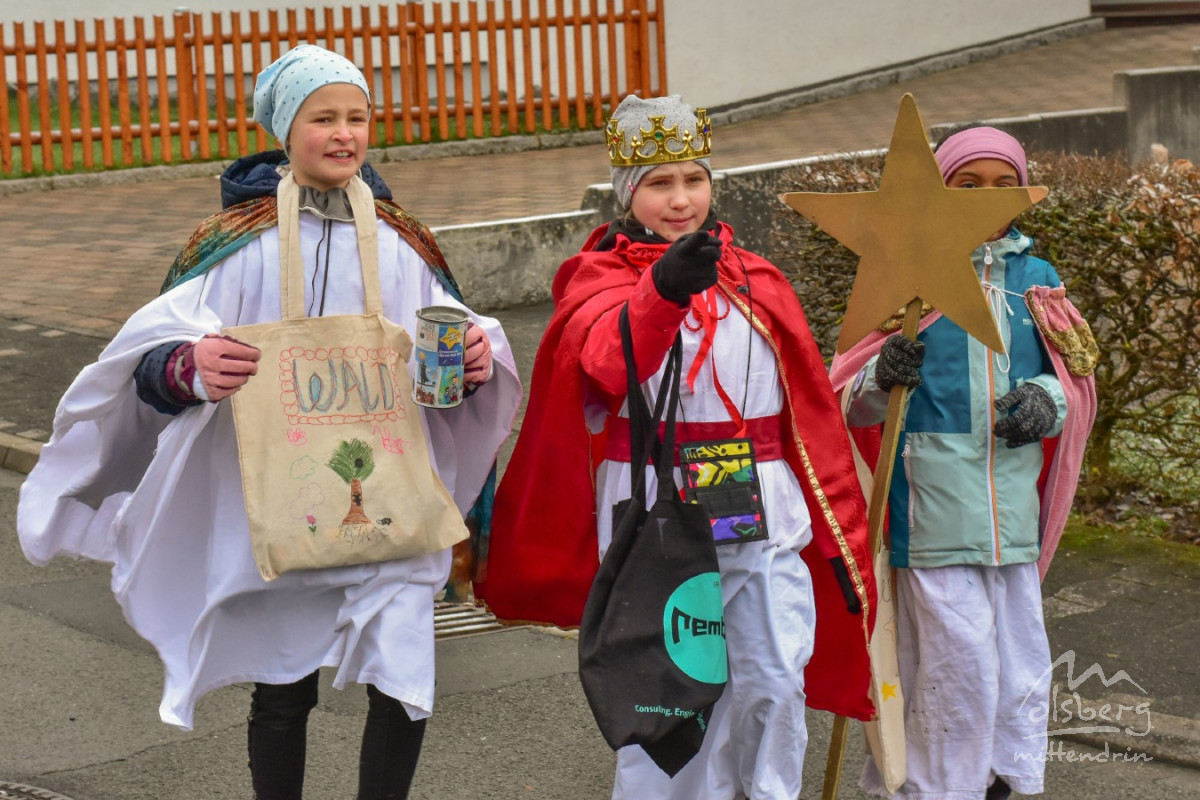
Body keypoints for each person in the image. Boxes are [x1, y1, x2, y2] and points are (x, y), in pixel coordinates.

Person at [17, 44, 521, 800]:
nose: (344, 133)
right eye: (324, 118)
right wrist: (188, 367)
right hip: (279, 503)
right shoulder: (235, 242)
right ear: (286, 130)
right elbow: (149, 357)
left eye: (357, 117)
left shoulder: (401, 241)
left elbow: (451, 340)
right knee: (283, 685)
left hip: (394, 497)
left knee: (404, 677)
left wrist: (476, 358)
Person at [475, 94, 876, 799]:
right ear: (628, 192)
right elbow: (604, 366)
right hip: (654, 504)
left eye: (694, 179)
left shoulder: (756, 277)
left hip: (762, 503)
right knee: (672, 696)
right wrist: (659, 292)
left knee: (775, 680)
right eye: (660, 183)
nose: (682, 199)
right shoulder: (599, 278)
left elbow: (804, 405)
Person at [829, 125, 1097, 799]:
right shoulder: (902, 279)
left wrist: (1045, 401)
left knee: (1016, 659)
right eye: (966, 184)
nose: (985, 197)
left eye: (1003, 184)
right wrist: (881, 377)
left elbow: (1075, 381)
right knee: (957, 663)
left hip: (1012, 514)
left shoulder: (1037, 283)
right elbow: (844, 404)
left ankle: (999, 775)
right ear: (937, 192)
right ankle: (940, 785)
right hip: (930, 513)